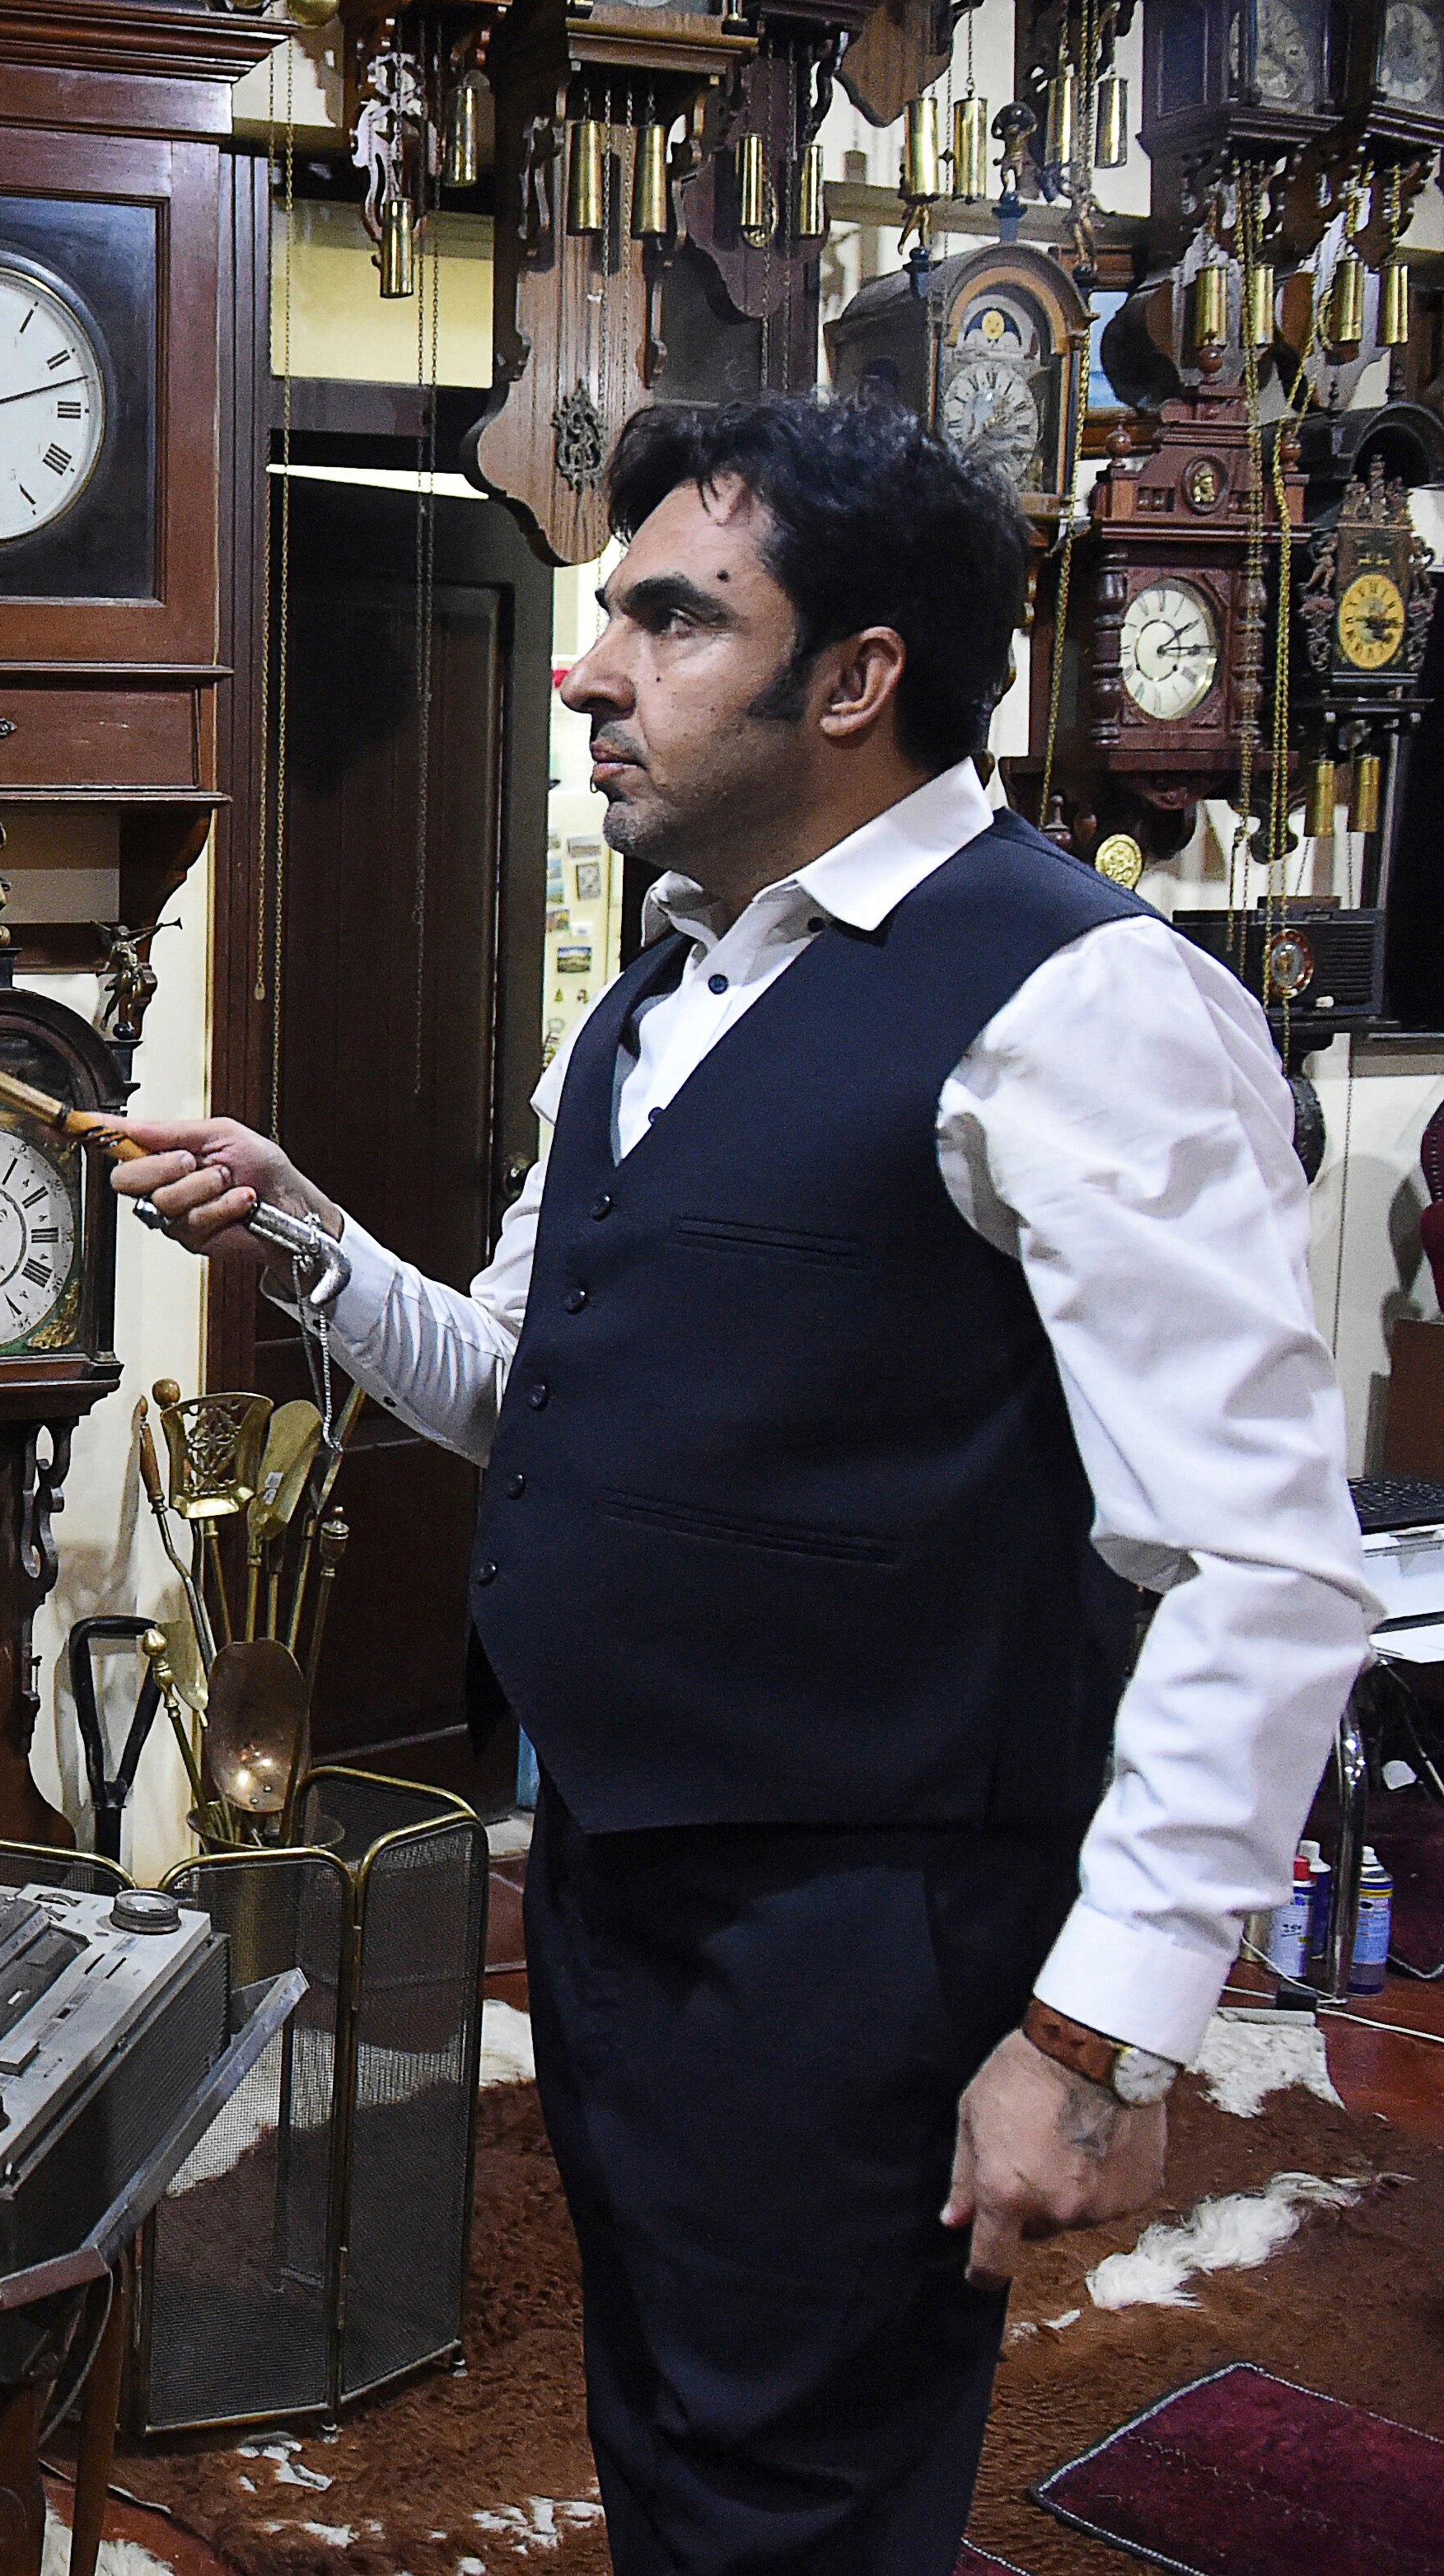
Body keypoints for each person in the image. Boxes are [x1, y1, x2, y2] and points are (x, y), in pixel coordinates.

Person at [111, 395, 1368, 2575]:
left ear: (855, 680)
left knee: (797, 2492)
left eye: (670, 621)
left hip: (866, 1930)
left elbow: (1261, 1569)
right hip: (615, 1880)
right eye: (606, 616)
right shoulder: (649, 1001)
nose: (589, 667)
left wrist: (1094, 2025)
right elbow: (523, 1391)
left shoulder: (1079, 1002)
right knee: (679, 2444)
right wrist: (300, 1236)